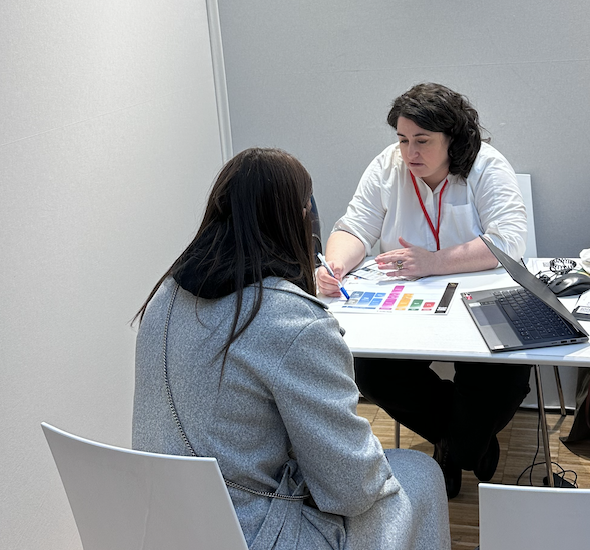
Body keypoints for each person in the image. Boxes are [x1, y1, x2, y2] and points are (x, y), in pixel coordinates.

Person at [132, 148, 451, 549]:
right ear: (300, 219)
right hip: (255, 535)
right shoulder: (293, 320)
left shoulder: (163, 297)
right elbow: (352, 489)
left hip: (164, 528)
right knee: (421, 472)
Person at [317, 83, 530, 498]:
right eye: (402, 140)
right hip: (409, 306)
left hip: (481, 301)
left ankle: (457, 447)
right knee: (371, 372)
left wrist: (433, 261)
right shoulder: (387, 166)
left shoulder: (487, 165)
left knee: (502, 381)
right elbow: (355, 227)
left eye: (422, 141)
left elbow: (509, 241)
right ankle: (464, 440)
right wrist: (337, 263)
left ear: (452, 138)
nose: (409, 152)